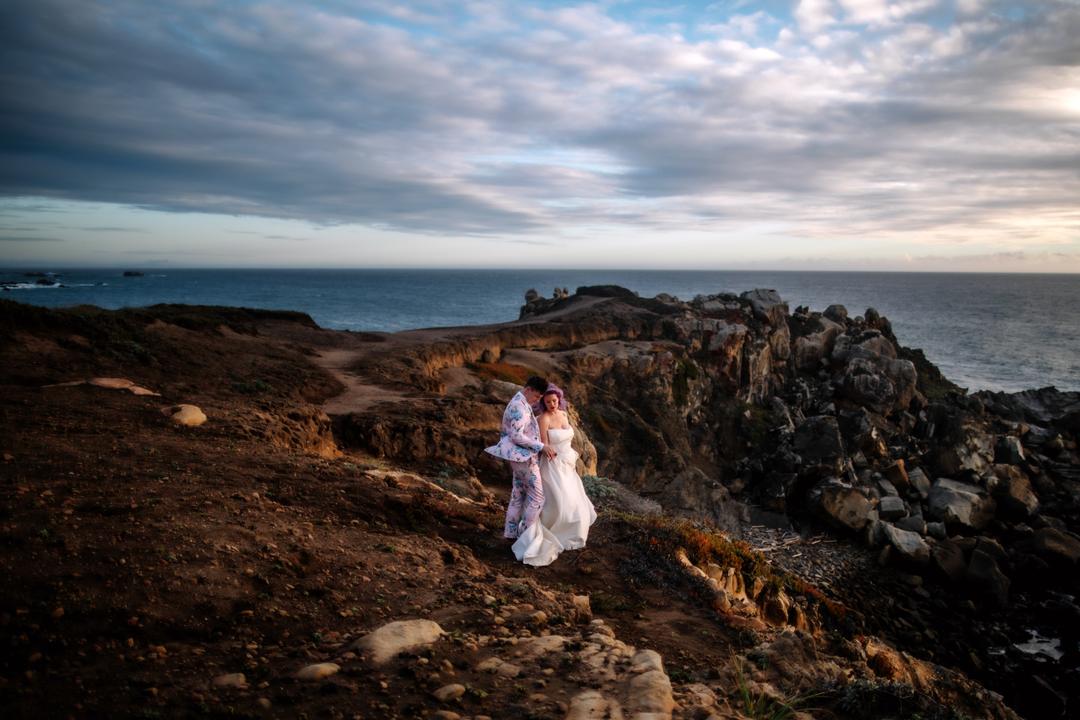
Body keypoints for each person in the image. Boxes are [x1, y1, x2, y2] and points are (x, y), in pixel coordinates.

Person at [511, 384, 597, 567]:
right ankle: (552, 529)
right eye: (548, 401)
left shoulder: (564, 414)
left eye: (555, 401)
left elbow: (568, 437)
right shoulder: (543, 419)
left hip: (568, 462)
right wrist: (552, 453)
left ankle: (573, 528)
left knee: (574, 498)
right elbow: (544, 445)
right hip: (553, 463)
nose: (552, 404)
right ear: (543, 402)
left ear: (559, 400)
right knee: (558, 499)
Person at [485, 376, 555, 544]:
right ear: (528, 389)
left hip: (518, 456)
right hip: (523, 457)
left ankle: (510, 535)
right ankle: (525, 538)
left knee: (518, 495)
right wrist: (541, 446)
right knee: (538, 497)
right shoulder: (519, 406)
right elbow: (516, 435)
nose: (537, 401)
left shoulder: (520, 401)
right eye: (537, 397)